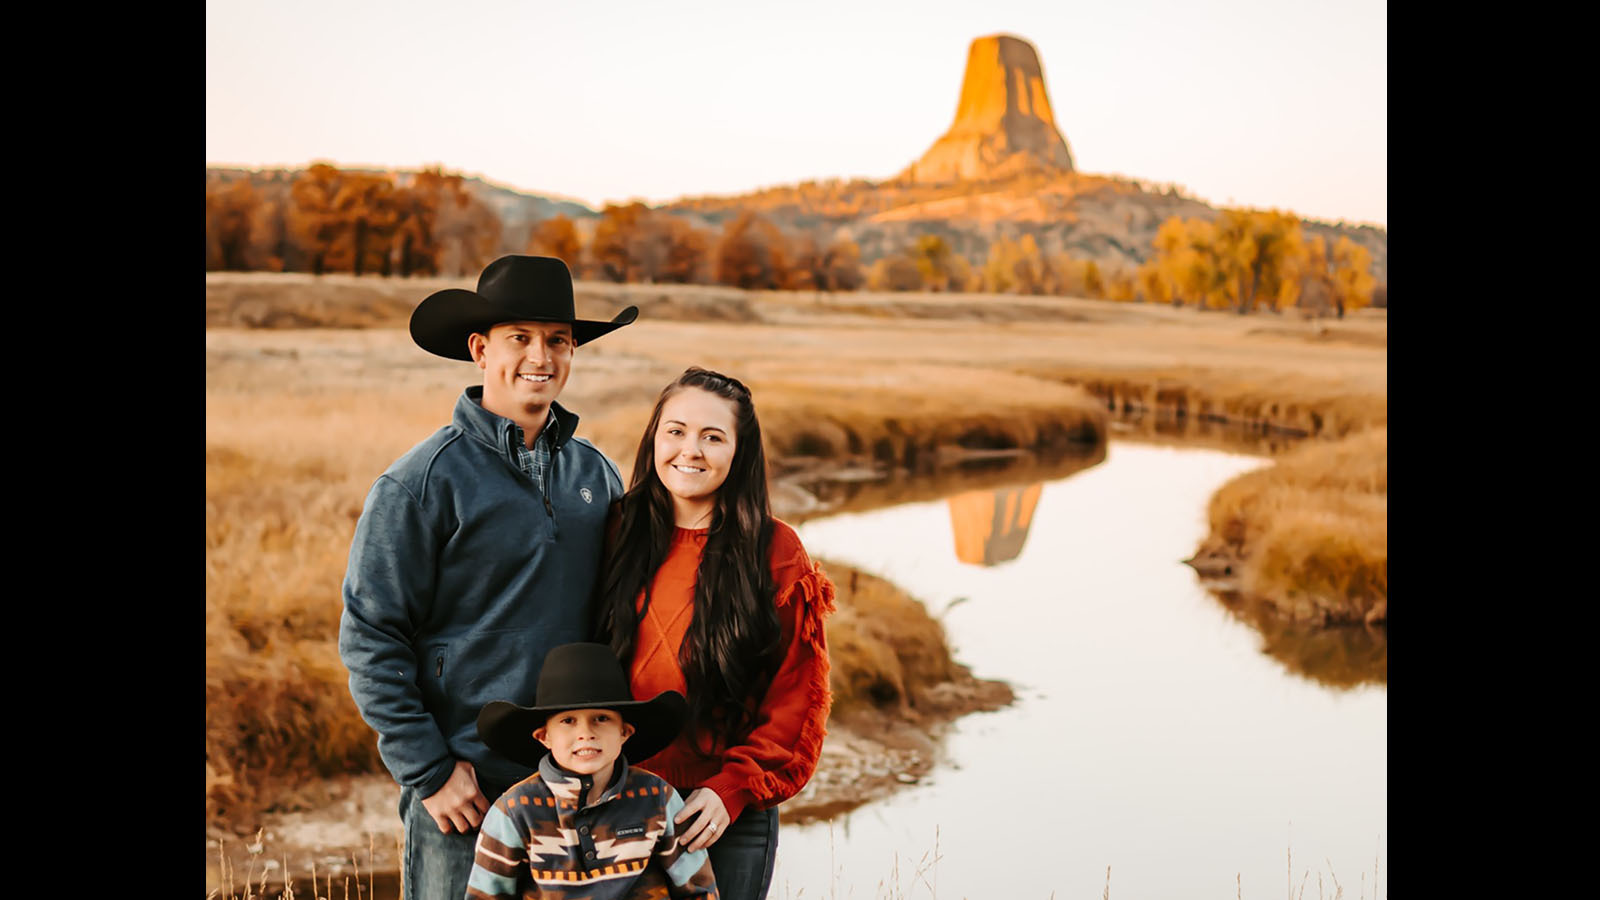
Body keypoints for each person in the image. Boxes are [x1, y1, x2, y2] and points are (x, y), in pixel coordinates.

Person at [338, 255, 638, 899]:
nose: (541, 356)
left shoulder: (598, 477)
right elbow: (370, 635)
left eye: (559, 339)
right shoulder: (420, 483)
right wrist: (429, 771)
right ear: (480, 349)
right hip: (466, 789)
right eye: (519, 338)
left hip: (576, 784)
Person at [595, 367, 836, 900]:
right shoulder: (614, 530)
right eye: (675, 431)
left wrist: (732, 789)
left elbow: (799, 700)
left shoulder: (775, 551)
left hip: (721, 814)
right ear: (654, 438)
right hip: (614, 801)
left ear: (740, 452)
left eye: (712, 436)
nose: (690, 450)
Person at [468, 642, 718, 900]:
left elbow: (699, 891)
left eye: (601, 718)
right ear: (544, 737)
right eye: (568, 721)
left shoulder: (659, 798)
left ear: (624, 732)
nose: (585, 733)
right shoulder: (514, 811)